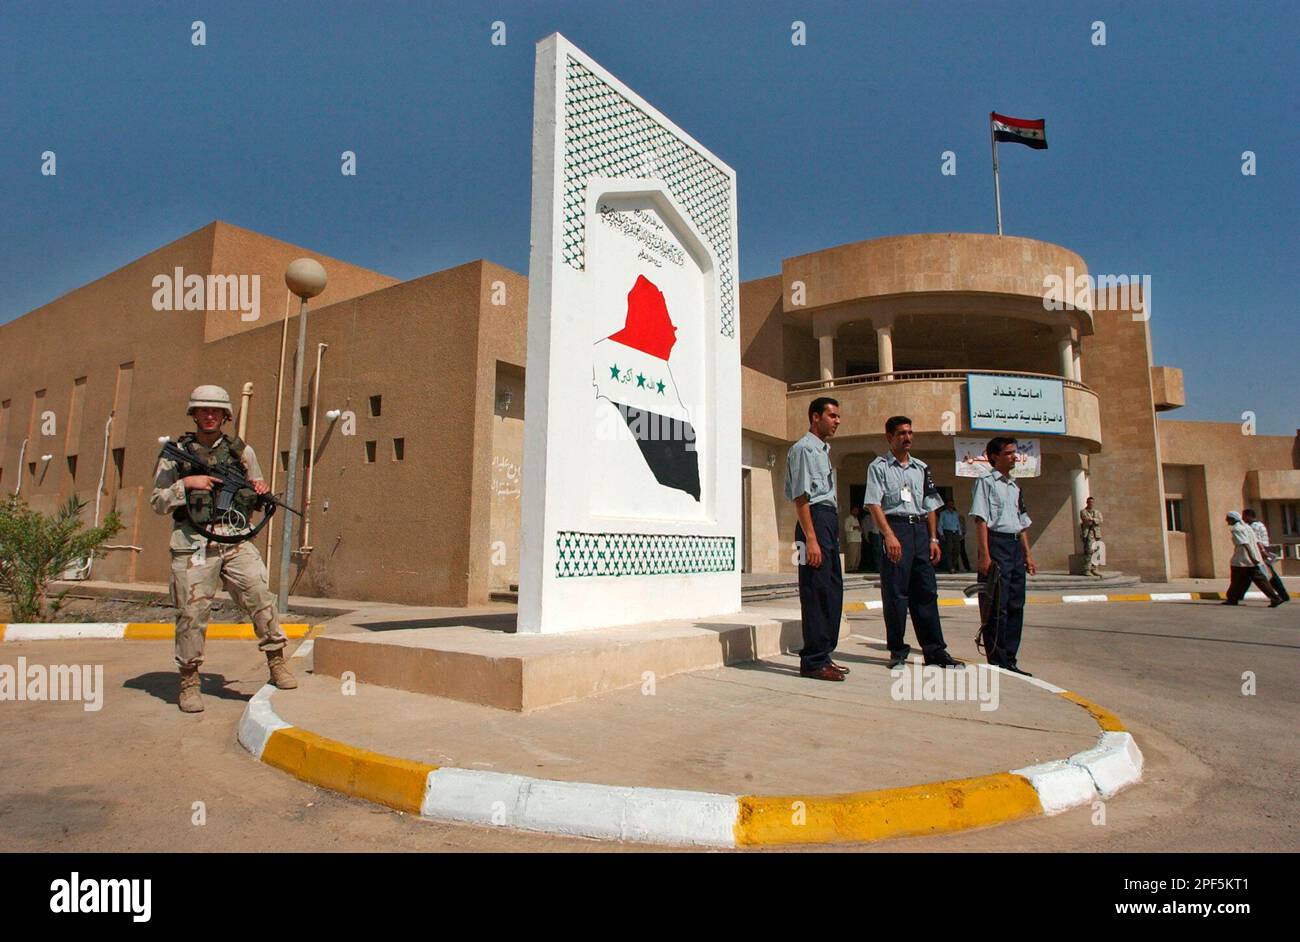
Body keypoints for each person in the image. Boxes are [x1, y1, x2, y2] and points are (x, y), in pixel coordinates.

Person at [151, 385, 299, 713]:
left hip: (235, 537)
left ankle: (276, 663)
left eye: (215, 411)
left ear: (224, 416)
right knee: (191, 614)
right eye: (202, 410)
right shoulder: (175, 453)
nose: (208, 415)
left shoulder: (241, 452)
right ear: (194, 414)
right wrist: (185, 485)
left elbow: (255, 490)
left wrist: (260, 491)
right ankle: (189, 680)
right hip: (193, 542)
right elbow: (157, 502)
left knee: (260, 595)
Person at [864, 416, 963, 669]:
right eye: (901, 434)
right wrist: (888, 535)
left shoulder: (921, 468)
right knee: (896, 594)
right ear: (889, 437)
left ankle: (935, 651)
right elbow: (874, 504)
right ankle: (897, 651)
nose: (907, 437)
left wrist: (933, 538)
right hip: (896, 529)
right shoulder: (879, 467)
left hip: (920, 531)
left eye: (910, 432)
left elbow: (931, 505)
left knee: (926, 593)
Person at [784, 397, 849, 681]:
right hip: (812, 523)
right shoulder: (803, 449)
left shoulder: (823, 451)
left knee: (832, 590)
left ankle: (824, 654)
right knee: (815, 591)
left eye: (837, 416)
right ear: (815, 417)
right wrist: (811, 538)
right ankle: (812, 661)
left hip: (827, 523)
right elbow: (801, 497)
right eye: (832, 416)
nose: (837, 421)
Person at [970, 436, 1037, 675]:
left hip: (1014, 547)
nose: (1014, 457)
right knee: (997, 604)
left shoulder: (1015, 486)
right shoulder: (986, 482)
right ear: (995, 456)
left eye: (1014, 453)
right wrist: (984, 555)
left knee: (1016, 603)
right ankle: (997, 658)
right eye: (1009, 453)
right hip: (996, 545)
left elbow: (1022, 524)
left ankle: (1010, 656)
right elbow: (980, 520)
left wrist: (1027, 555)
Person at [1222, 511, 1283, 607]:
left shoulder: (1237, 529)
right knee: (1259, 580)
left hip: (1242, 560)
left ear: (1233, 519)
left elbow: (1245, 544)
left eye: (1228, 518)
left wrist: (1252, 558)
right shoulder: (1247, 527)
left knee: (1237, 579)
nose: (1226, 520)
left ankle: (1232, 598)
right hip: (1250, 558)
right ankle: (1275, 598)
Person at [1243, 508, 1289, 603]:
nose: (1243, 518)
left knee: (1265, 576)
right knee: (1264, 575)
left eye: (1244, 516)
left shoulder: (1254, 526)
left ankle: (1281, 595)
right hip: (1262, 551)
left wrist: (1262, 552)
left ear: (1248, 516)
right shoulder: (1259, 524)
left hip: (1260, 552)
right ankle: (1283, 595)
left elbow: (1257, 541)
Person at [938, 498, 964, 574]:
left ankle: (954, 565)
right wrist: (941, 534)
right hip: (947, 532)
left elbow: (958, 524)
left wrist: (960, 533)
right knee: (949, 550)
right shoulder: (943, 513)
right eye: (949, 504)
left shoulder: (956, 513)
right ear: (947, 505)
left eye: (952, 504)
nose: (951, 505)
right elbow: (940, 524)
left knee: (957, 550)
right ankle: (950, 568)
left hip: (955, 532)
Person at [1080, 496, 1104, 577]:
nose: (1091, 504)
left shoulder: (1097, 512)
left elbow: (1100, 520)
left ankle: (1094, 568)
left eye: (1092, 502)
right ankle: (1087, 569)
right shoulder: (1083, 511)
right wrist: (1094, 520)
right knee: (1090, 550)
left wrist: (1093, 520)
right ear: (1087, 502)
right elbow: (1086, 521)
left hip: (1096, 533)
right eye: (1090, 502)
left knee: (1097, 550)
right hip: (1088, 533)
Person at [862, 505, 881, 572]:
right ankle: (877, 567)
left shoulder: (878, 515)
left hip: (879, 533)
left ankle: (879, 567)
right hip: (875, 534)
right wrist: (866, 536)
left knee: (879, 552)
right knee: (876, 552)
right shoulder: (868, 517)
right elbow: (866, 528)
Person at [845, 505, 863, 574]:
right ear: (851, 511)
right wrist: (855, 528)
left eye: (857, 511)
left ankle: (856, 568)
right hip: (852, 539)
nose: (856, 512)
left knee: (858, 556)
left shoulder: (856, 519)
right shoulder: (848, 519)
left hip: (858, 539)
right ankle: (850, 568)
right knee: (852, 554)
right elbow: (846, 528)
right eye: (855, 510)